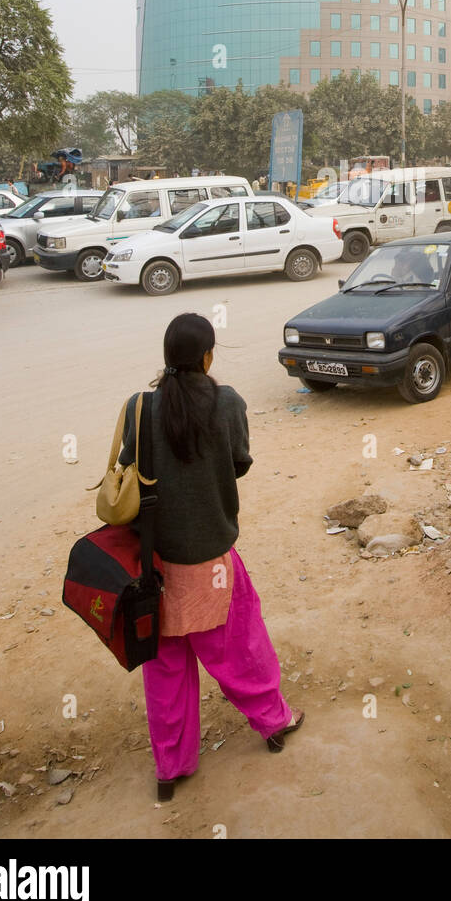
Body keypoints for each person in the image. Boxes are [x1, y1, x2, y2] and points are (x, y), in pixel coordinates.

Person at [117, 312, 303, 802]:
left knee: (166, 670)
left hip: (153, 567)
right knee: (241, 650)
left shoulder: (140, 408)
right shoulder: (227, 402)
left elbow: (125, 473)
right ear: (208, 356)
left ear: (166, 356)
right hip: (212, 562)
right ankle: (273, 722)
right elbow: (238, 463)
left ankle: (170, 768)